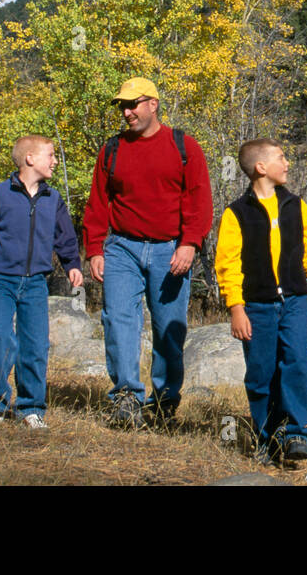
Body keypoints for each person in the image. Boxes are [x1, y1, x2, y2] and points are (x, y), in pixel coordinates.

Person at [82, 76, 213, 428]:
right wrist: (95, 248)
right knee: (119, 321)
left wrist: (189, 243)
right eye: (123, 106)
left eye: (133, 104)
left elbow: (199, 200)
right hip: (122, 247)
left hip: (170, 249)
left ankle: (165, 401)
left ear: (153, 104)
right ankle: (126, 397)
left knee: (169, 326)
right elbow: (98, 201)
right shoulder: (112, 149)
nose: (126, 112)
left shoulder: (184, 146)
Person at [0, 134, 84, 430]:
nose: (55, 161)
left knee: (35, 345)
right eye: (51, 155)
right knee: (1, 337)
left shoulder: (52, 199)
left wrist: (72, 265)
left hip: (36, 283)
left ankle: (30, 408)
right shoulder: (0, 194)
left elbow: (65, 237)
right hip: (0, 281)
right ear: (30, 158)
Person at [214, 139, 307, 464]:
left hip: (294, 301)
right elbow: (227, 264)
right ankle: (268, 435)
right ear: (261, 168)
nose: (287, 162)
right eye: (281, 157)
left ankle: (298, 433)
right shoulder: (236, 214)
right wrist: (236, 308)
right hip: (256, 307)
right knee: (261, 371)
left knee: (296, 362)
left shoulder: (296, 206)